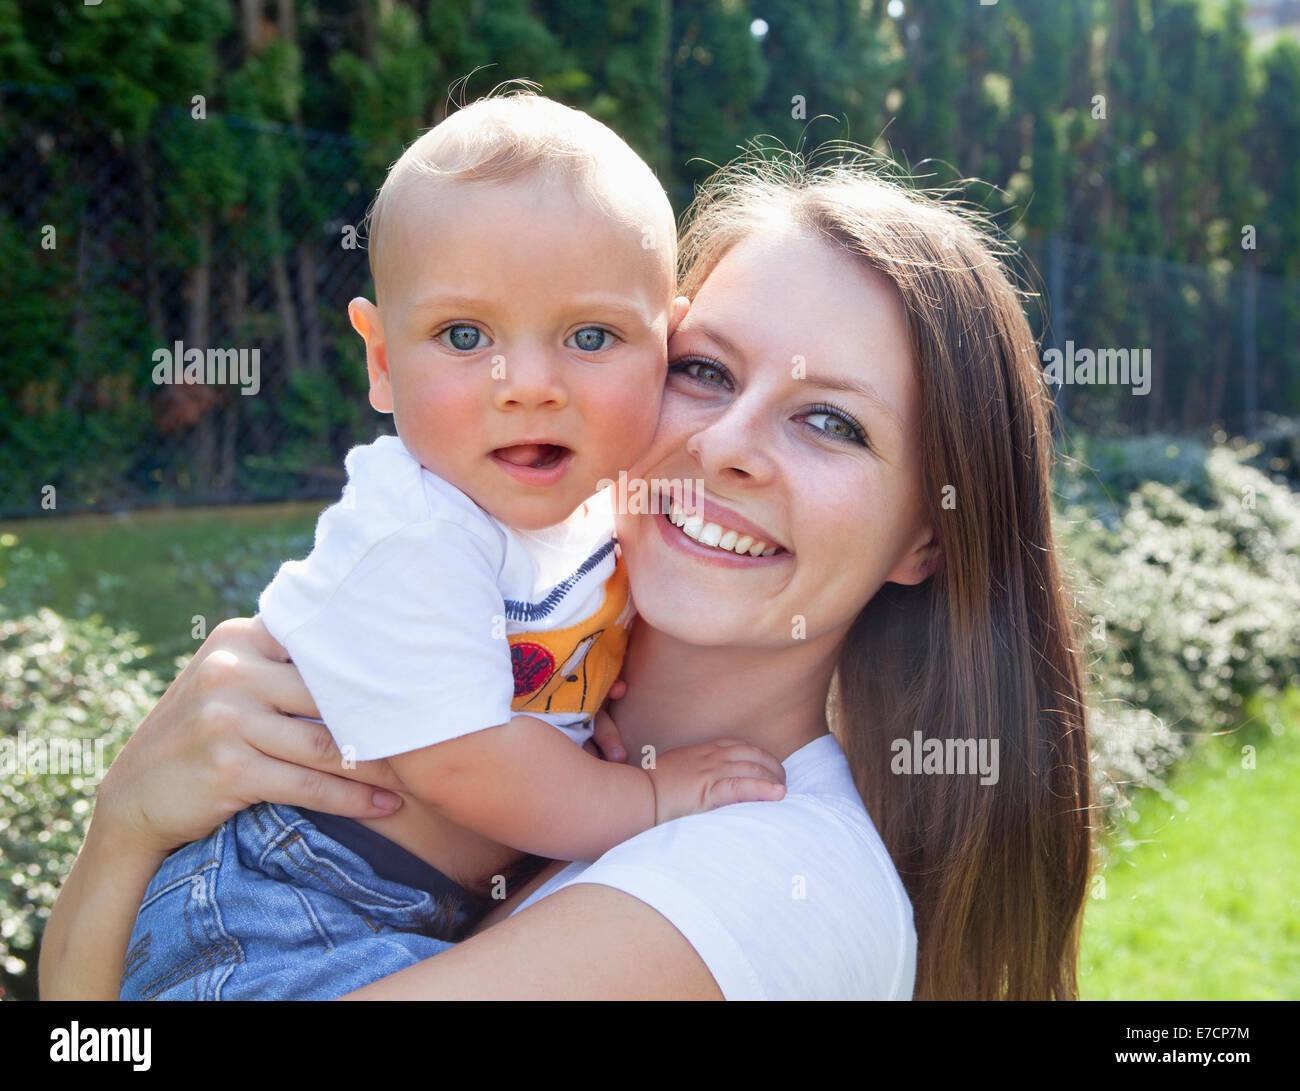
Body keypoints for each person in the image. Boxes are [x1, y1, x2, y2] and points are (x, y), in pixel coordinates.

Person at [40, 147, 1093, 1001]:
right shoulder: (528, 698)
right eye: (703, 370)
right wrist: (128, 817)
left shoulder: (771, 880)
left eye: (831, 421)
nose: (726, 443)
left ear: (927, 535)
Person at [116, 92, 789, 1001]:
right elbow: (468, 760)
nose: (529, 385)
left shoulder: (607, 509)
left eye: (592, 336)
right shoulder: (417, 532)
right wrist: (652, 798)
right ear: (383, 360)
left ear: (663, 348)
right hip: (284, 905)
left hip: (403, 901)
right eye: (464, 335)